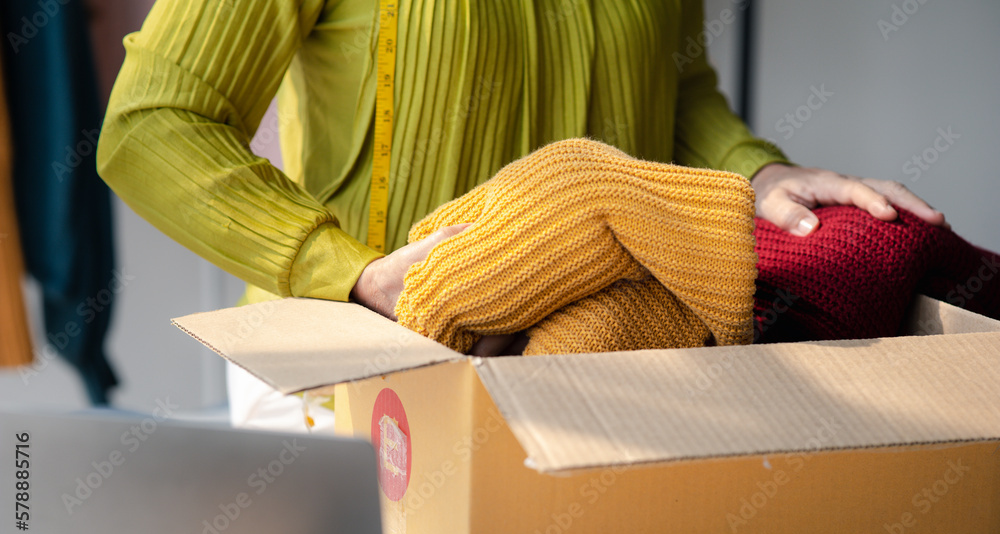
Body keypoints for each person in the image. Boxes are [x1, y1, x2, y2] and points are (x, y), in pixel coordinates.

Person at [97, 0, 947, 429]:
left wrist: (758, 172)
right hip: (355, 379)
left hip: (601, 373)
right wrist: (353, 274)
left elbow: (679, 90)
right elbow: (154, 122)